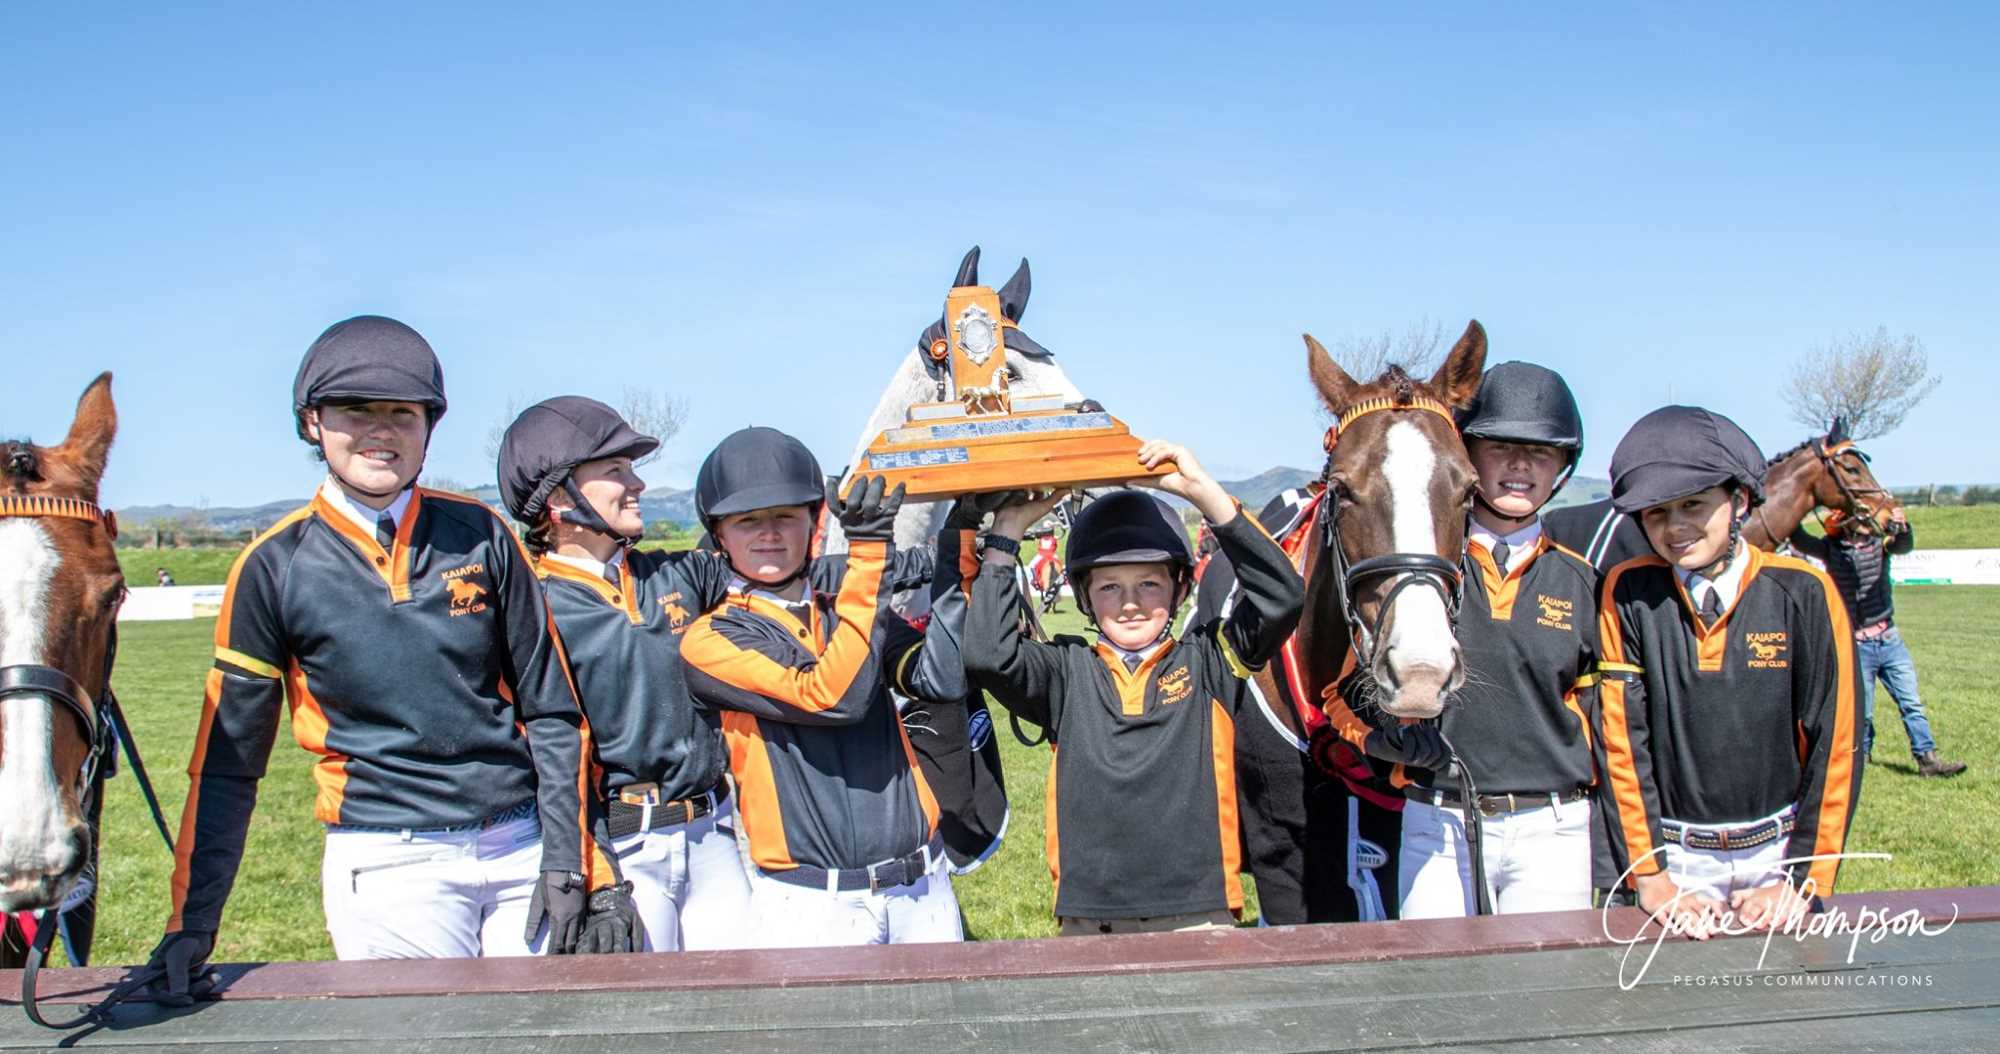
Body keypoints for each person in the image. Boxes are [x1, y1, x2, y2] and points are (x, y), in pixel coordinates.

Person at [147, 317, 616, 1004]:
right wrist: (194, 922)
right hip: (391, 861)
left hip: (519, 847)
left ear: (429, 426)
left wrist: (567, 862)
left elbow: (552, 711)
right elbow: (228, 765)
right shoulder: (273, 566)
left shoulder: (481, 534)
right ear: (313, 423)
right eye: (355, 411)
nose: (382, 431)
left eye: (403, 413)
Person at [963, 441, 1305, 935]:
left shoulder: (1211, 660)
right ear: (1084, 595)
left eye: (1148, 583)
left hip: (1199, 916)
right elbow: (988, 655)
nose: (1130, 603)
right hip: (1091, 919)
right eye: (1109, 587)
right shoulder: (1066, 673)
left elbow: (1282, 598)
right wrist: (1006, 535)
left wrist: (1206, 495)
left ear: (1180, 588)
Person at [1329, 362, 1604, 918]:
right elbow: (1338, 696)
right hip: (1439, 816)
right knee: (1437, 993)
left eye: (1542, 452)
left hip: (1553, 827)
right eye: (1501, 447)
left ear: (1563, 469)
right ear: (1468, 456)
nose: (1521, 464)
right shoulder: (1419, 572)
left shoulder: (1582, 583)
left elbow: (1609, 721)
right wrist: (1379, 741)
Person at [679, 427, 972, 946]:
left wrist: (965, 540)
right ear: (720, 535)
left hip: (923, 888)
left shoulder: (843, 603)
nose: (769, 532)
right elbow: (836, 696)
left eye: (785, 516)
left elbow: (939, 678)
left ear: (814, 525)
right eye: (748, 520)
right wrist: (867, 558)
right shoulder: (711, 640)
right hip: (816, 908)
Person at [496, 396, 752, 952]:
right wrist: (602, 879)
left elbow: (789, 573)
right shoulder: (532, 608)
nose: (636, 483)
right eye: (615, 471)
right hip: (625, 851)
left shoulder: (678, 572)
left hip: (716, 837)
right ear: (557, 499)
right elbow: (554, 760)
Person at [1597, 406, 1860, 939]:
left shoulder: (1803, 591)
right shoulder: (1627, 593)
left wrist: (1801, 878)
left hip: (1779, 854)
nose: (1675, 528)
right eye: (1655, 513)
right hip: (1676, 860)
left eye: (1693, 504)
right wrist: (1650, 875)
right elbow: (1623, 744)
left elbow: (1836, 743)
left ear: (1739, 499)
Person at [1789, 508, 1965, 777]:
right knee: (1864, 709)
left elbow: (1903, 545)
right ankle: (1863, 755)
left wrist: (1903, 527)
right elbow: (1800, 539)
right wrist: (1794, 508)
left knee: (1911, 704)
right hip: (1857, 645)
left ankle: (1927, 759)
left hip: (1890, 641)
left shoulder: (1881, 544)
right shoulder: (1830, 549)